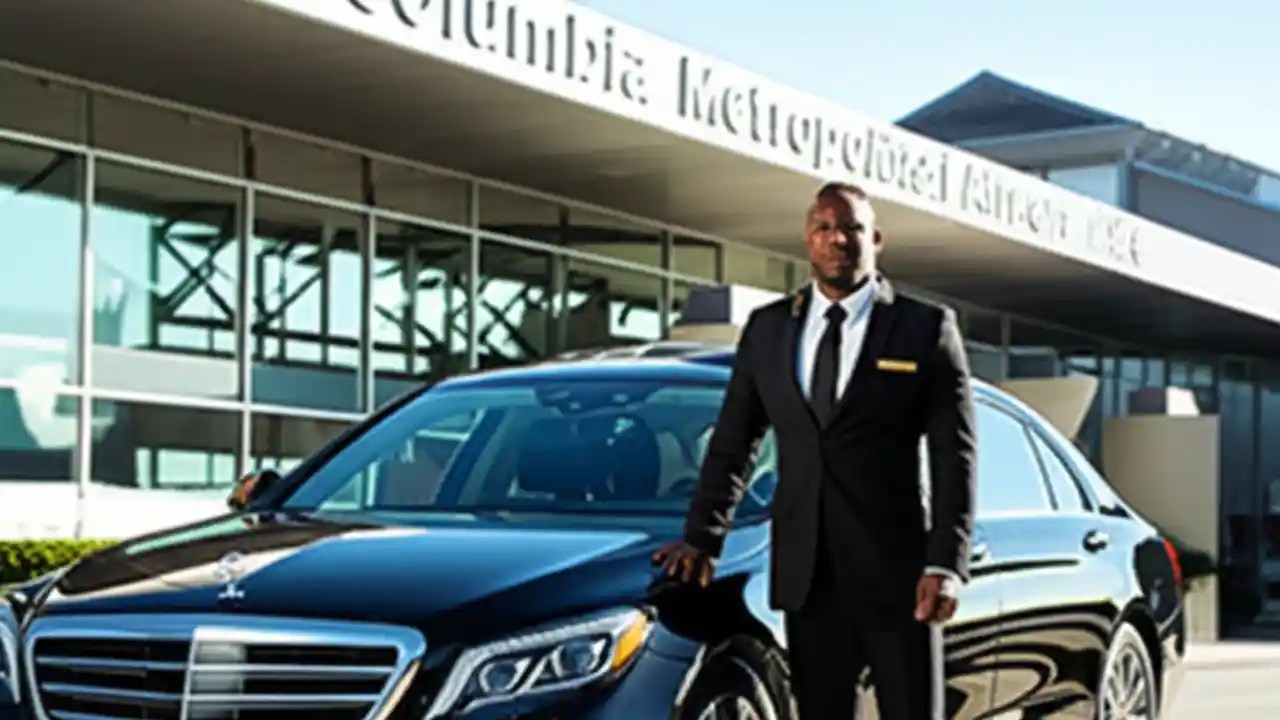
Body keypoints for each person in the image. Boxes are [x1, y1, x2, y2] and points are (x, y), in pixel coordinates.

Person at [653, 181, 977, 719]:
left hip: (898, 575)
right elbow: (734, 441)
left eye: (850, 228)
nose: (837, 240)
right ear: (808, 239)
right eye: (824, 227)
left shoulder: (925, 329)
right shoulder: (769, 329)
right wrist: (702, 538)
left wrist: (946, 562)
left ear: (875, 238)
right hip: (806, 573)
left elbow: (955, 454)